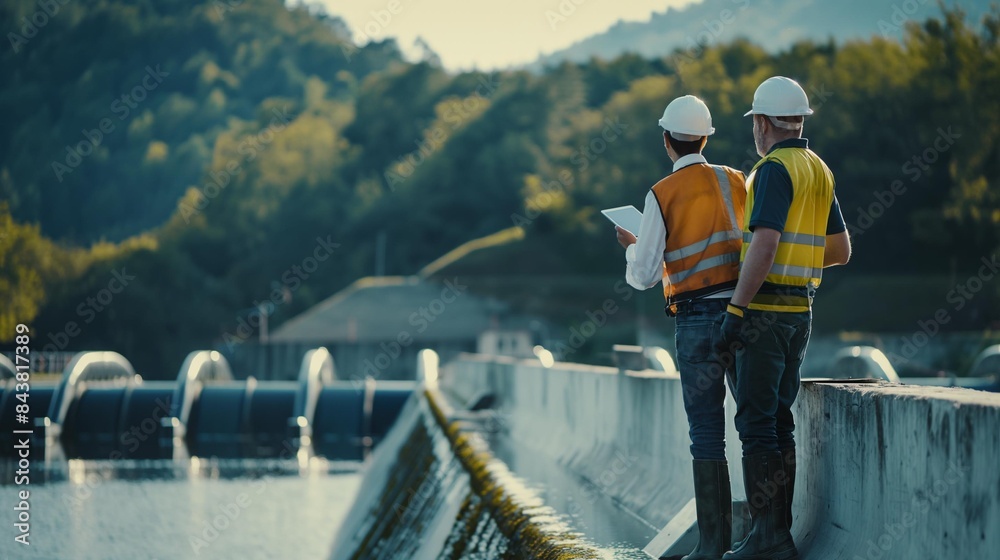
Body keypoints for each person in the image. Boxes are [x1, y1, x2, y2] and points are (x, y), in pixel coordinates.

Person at [716, 76, 851, 560]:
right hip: (800, 312)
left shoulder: (773, 168)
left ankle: (767, 538)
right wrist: (801, 265)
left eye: (754, 120)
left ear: (763, 122)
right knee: (778, 423)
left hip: (764, 314)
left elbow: (767, 243)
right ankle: (777, 535)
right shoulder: (818, 168)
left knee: (756, 426)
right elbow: (840, 250)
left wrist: (735, 310)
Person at [616, 94, 746, 560]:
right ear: (705, 137)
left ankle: (713, 546)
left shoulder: (661, 194)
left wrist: (632, 246)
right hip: (744, 313)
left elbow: (644, 275)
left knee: (707, 432)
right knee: (756, 424)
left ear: (667, 141)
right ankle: (761, 540)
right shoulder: (736, 180)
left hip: (695, 321)